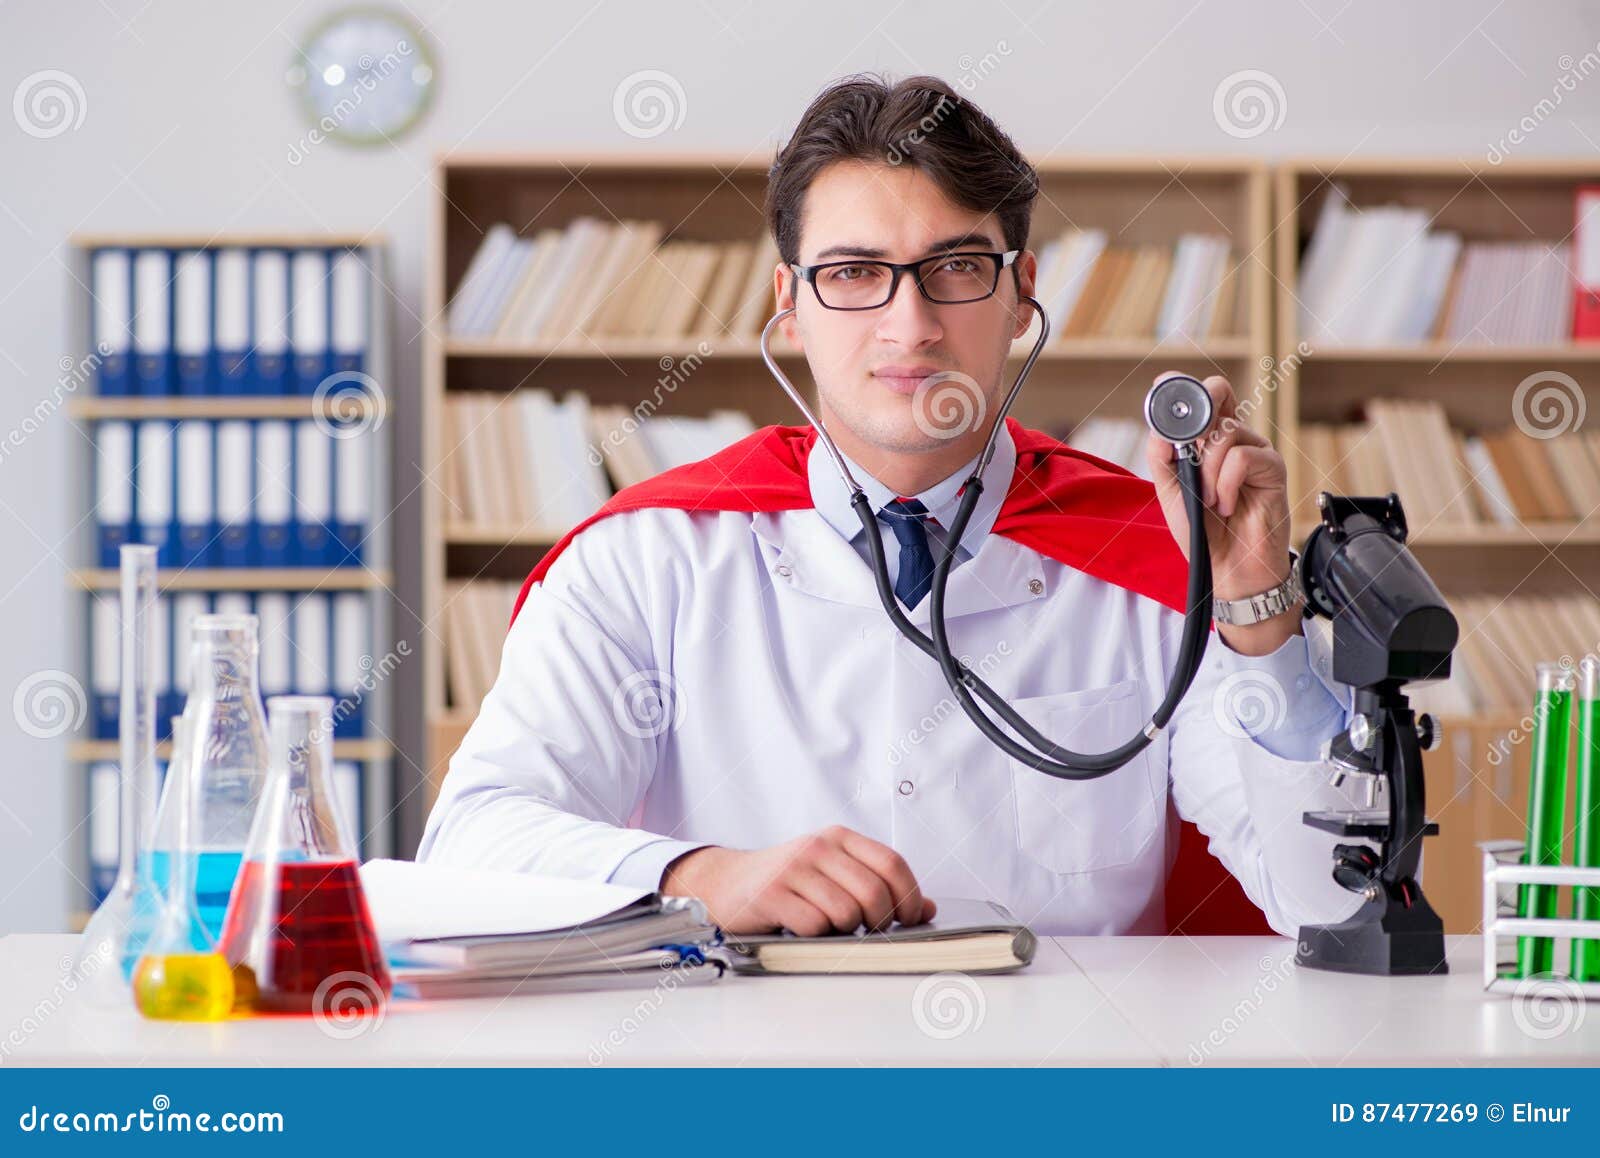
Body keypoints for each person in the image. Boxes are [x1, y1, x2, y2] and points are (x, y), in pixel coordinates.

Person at [418, 73, 1366, 938]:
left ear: (1022, 293)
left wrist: (1255, 609)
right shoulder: (648, 559)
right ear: (790, 304)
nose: (909, 324)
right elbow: (469, 842)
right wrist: (701, 876)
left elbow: (1339, 901)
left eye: (956, 267)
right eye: (854, 273)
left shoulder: (1161, 559)